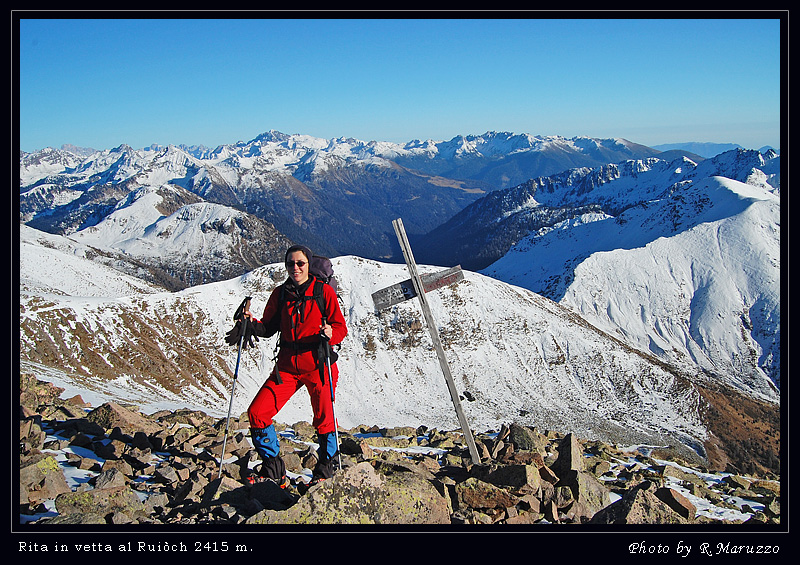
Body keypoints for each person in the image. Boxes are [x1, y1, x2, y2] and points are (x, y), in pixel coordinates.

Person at [241, 245, 348, 487]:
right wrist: (250, 324)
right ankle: (273, 470)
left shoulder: (323, 292)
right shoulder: (280, 294)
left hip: (318, 365)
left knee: (325, 420)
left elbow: (340, 327)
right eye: (291, 263)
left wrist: (331, 333)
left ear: (309, 265)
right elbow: (268, 327)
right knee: (258, 412)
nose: (295, 268)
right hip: (288, 367)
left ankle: (325, 472)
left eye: (300, 263)